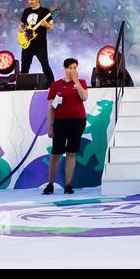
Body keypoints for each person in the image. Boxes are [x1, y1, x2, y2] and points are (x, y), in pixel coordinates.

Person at [44, 58, 89, 196]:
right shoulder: (56, 85)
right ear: (65, 69)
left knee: (71, 152)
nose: (73, 70)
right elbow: (51, 107)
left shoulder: (81, 83)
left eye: (75, 68)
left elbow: (84, 97)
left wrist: (76, 82)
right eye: (70, 68)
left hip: (77, 121)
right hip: (60, 121)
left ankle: (68, 184)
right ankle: (50, 183)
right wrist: (49, 126)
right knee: (56, 153)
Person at [19, 0, 55, 85]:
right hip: (27, 43)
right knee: (24, 66)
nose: (30, 2)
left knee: (45, 65)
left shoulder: (45, 12)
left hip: (40, 45)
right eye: (29, 0)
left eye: (32, 0)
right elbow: (22, 25)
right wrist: (21, 33)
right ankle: (22, 87)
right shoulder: (26, 11)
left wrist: (45, 24)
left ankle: (53, 85)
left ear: (38, 0)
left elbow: (51, 26)